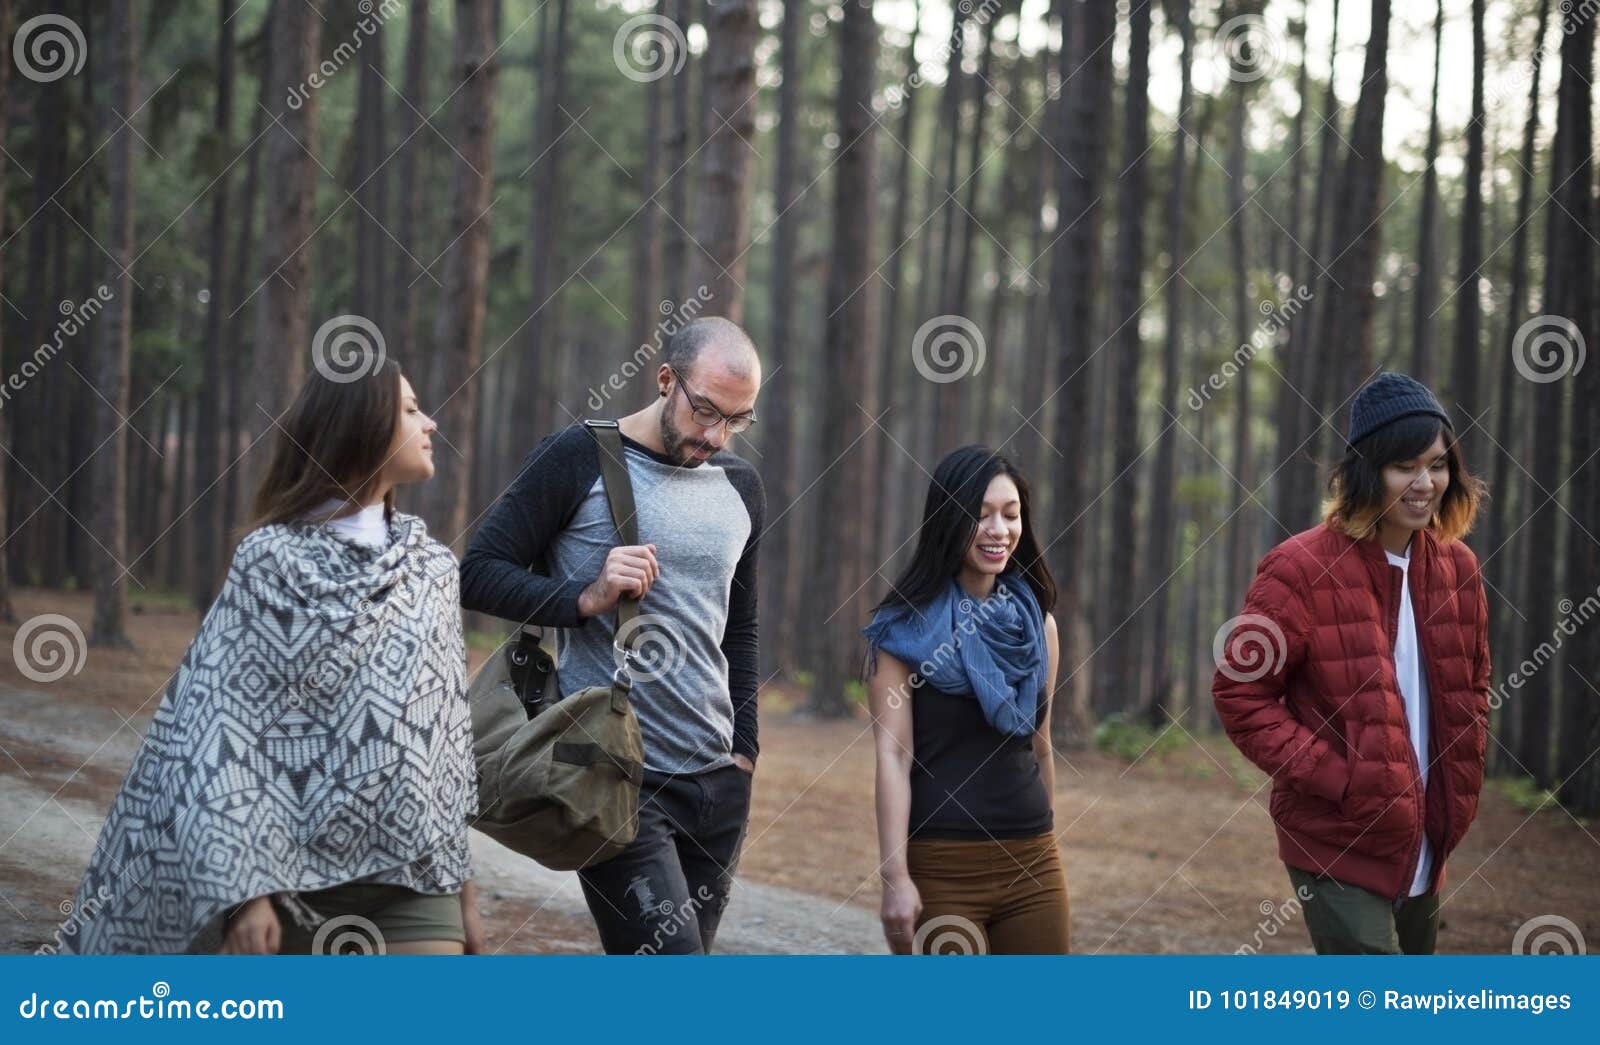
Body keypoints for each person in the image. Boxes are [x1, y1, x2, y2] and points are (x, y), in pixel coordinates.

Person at [64, 360, 482, 955]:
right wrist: (244, 890)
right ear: (359, 424)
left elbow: (445, 742)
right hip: (292, 883)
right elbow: (219, 730)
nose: (431, 423)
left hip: (416, 884)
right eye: (411, 410)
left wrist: (463, 888)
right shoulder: (271, 562)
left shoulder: (433, 569)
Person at [459, 316, 764, 955]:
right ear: (664, 379)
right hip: (614, 773)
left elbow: (739, 627)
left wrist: (745, 752)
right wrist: (582, 597)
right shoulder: (576, 456)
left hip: (717, 782)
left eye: (736, 420)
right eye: (705, 410)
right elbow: (478, 575)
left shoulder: (742, 486)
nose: (716, 435)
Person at [1213, 372, 1491, 954]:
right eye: (1405, 467)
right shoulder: (1298, 567)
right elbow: (1240, 692)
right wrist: (1339, 780)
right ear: (1367, 471)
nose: (1425, 483)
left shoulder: (1459, 569)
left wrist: (1460, 780)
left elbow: (1476, 682)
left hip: (1428, 835)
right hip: (1335, 835)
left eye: (1437, 465)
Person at [863, 445, 1068, 955]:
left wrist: (1047, 836)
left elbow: (1041, 744)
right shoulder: (902, 630)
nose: (998, 529)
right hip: (943, 865)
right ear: (947, 522)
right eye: (980, 516)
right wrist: (895, 879)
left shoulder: (1038, 625)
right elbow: (893, 755)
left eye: (1011, 514)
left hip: (1033, 860)